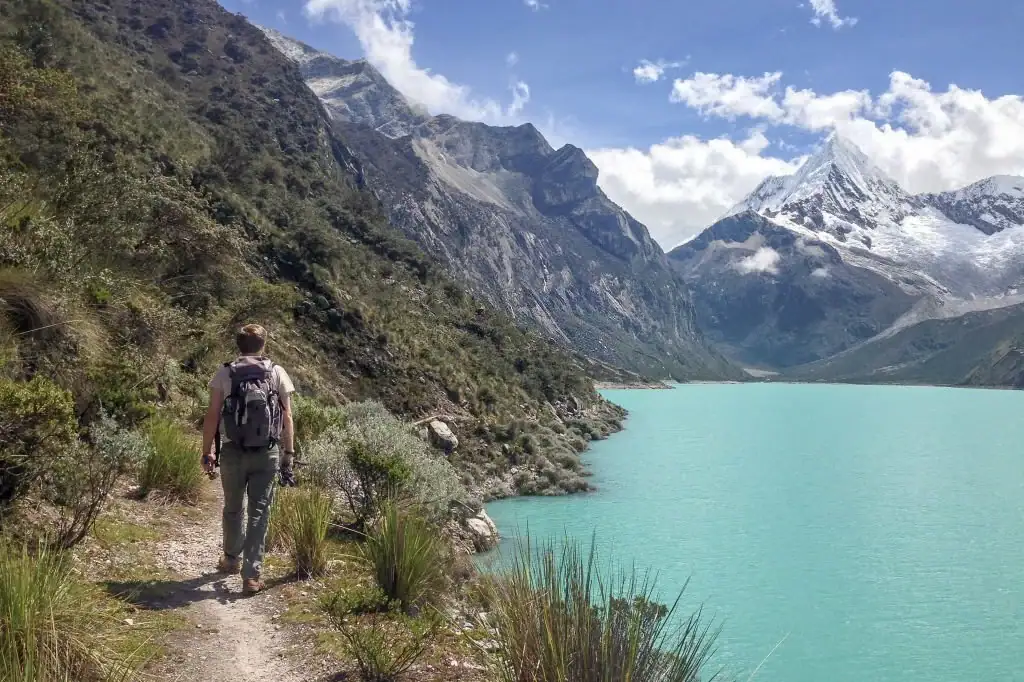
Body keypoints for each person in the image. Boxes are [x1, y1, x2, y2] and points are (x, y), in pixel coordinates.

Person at [201, 324, 296, 594]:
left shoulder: (225, 372)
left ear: (239, 345)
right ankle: (251, 576)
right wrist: (288, 452)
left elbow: (213, 414)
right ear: (263, 345)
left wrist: (207, 450)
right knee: (259, 513)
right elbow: (287, 417)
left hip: (232, 451)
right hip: (266, 452)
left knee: (233, 507)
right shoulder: (276, 372)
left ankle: (231, 559)